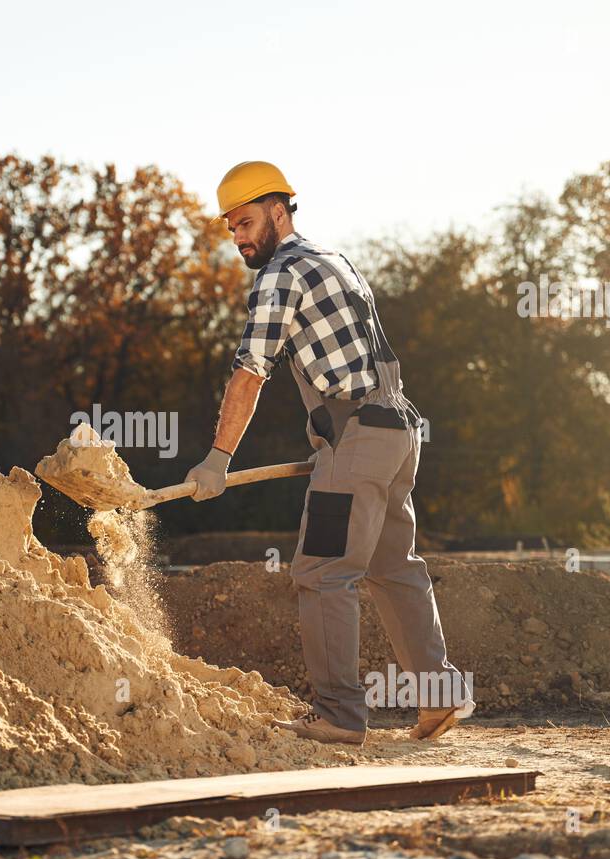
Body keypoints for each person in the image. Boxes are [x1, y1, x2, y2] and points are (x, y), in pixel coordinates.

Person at [185, 161, 474, 746]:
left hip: (356, 439)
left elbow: (250, 371)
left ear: (279, 209)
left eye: (246, 222)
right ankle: (440, 696)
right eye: (230, 228)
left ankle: (340, 714)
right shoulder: (333, 262)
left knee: (321, 574)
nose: (239, 237)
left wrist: (217, 458)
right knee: (395, 569)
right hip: (396, 433)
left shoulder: (279, 277)